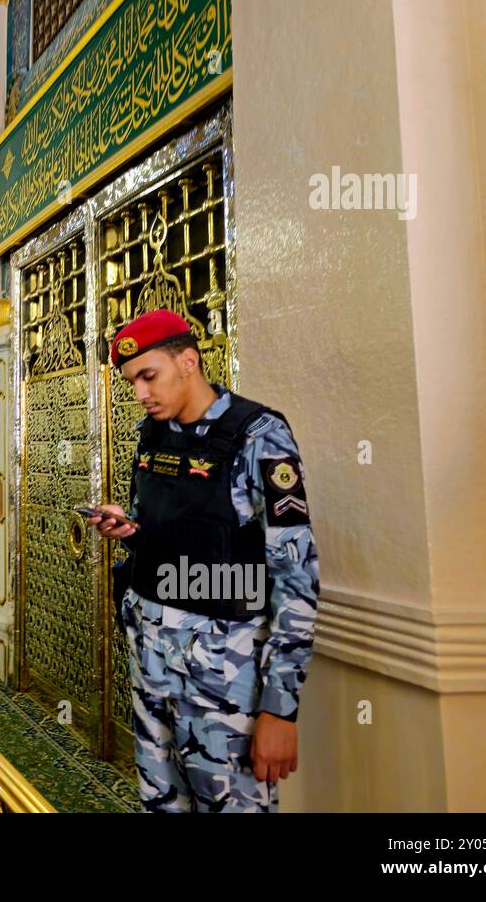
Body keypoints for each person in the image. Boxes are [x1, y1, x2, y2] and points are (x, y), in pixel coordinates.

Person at [87, 310, 320, 813]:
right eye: (132, 382)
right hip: (151, 664)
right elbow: (176, 534)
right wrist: (130, 530)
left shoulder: (259, 435)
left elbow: (296, 577)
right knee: (160, 804)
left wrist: (281, 709)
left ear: (188, 362)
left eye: (149, 376)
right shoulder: (152, 436)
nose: (140, 393)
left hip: (222, 677)